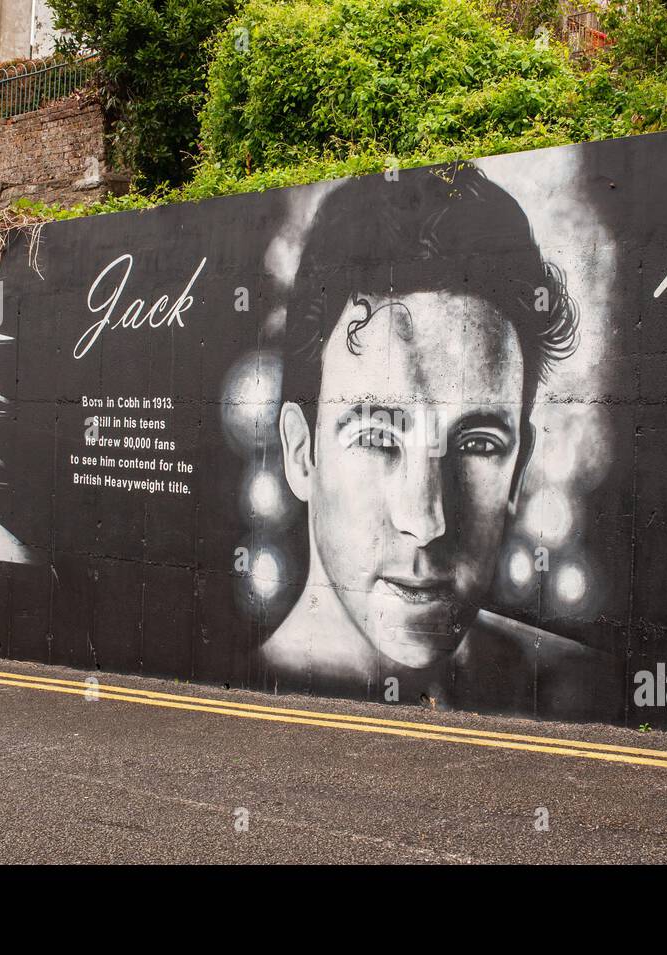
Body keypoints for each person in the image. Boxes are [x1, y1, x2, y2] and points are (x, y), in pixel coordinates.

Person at [260, 164, 611, 720]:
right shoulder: (235, 698)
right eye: (376, 435)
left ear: (519, 470)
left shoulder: (585, 692)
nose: (426, 521)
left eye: (476, 444)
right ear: (300, 454)